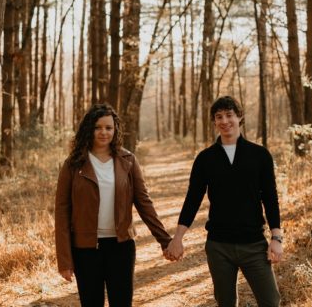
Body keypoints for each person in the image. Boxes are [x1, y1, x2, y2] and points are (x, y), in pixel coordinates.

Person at [165, 95, 283, 307]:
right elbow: (193, 198)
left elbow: (270, 198)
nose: (224, 121)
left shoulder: (259, 155)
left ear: (239, 117)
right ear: (214, 122)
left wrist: (276, 238)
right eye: (219, 117)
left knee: (271, 301)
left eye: (229, 115)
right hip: (219, 246)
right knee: (226, 303)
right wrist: (178, 238)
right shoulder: (205, 158)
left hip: (254, 244)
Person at [54, 103, 172, 307]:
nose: (103, 132)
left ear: (115, 129)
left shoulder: (128, 160)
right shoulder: (73, 164)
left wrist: (165, 240)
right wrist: (64, 261)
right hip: (85, 250)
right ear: (89, 129)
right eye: (98, 127)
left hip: (121, 248)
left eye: (108, 128)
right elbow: (62, 212)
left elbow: (144, 203)